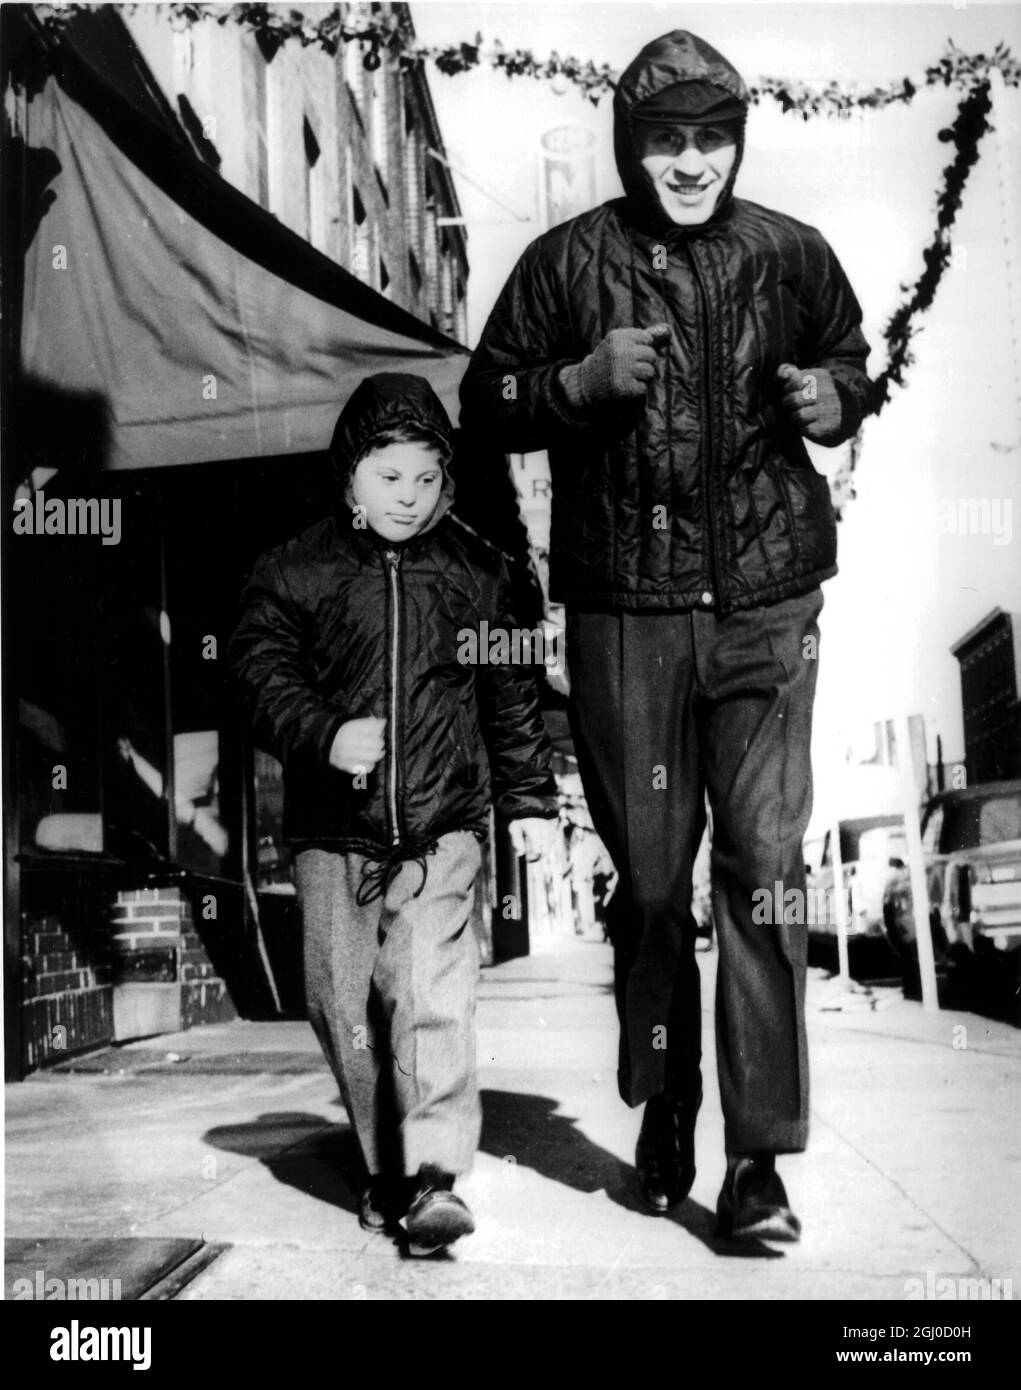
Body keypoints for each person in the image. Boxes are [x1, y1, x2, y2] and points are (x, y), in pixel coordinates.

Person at [460, 29, 873, 1242]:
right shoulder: (566, 262)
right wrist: (577, 382)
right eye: (664, 139)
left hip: (765, 607)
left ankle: (757, 1164)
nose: (689, 162)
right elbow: (483, 400)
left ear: (737, 139)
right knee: (649, 891)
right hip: (626, 617)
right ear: (629, 146)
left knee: (764, 875)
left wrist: (831, 397)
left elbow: (851, 356)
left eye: (710, 137)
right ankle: (665, 1091)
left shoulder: (790, 254)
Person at [229, 373, 558, 1255]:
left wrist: (529, 804)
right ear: (350, 478)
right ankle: (387, 1171)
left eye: (425, 478)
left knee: (428, 992)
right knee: (343, 1007)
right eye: (389, 478)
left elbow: (512, 700)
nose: (408, 497)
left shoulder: (478, 574)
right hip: (331, 835)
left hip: (440, 829)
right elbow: (258, 676)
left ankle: (437, 1176)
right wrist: (324, 733)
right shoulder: (293, 570)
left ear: (444, 479)